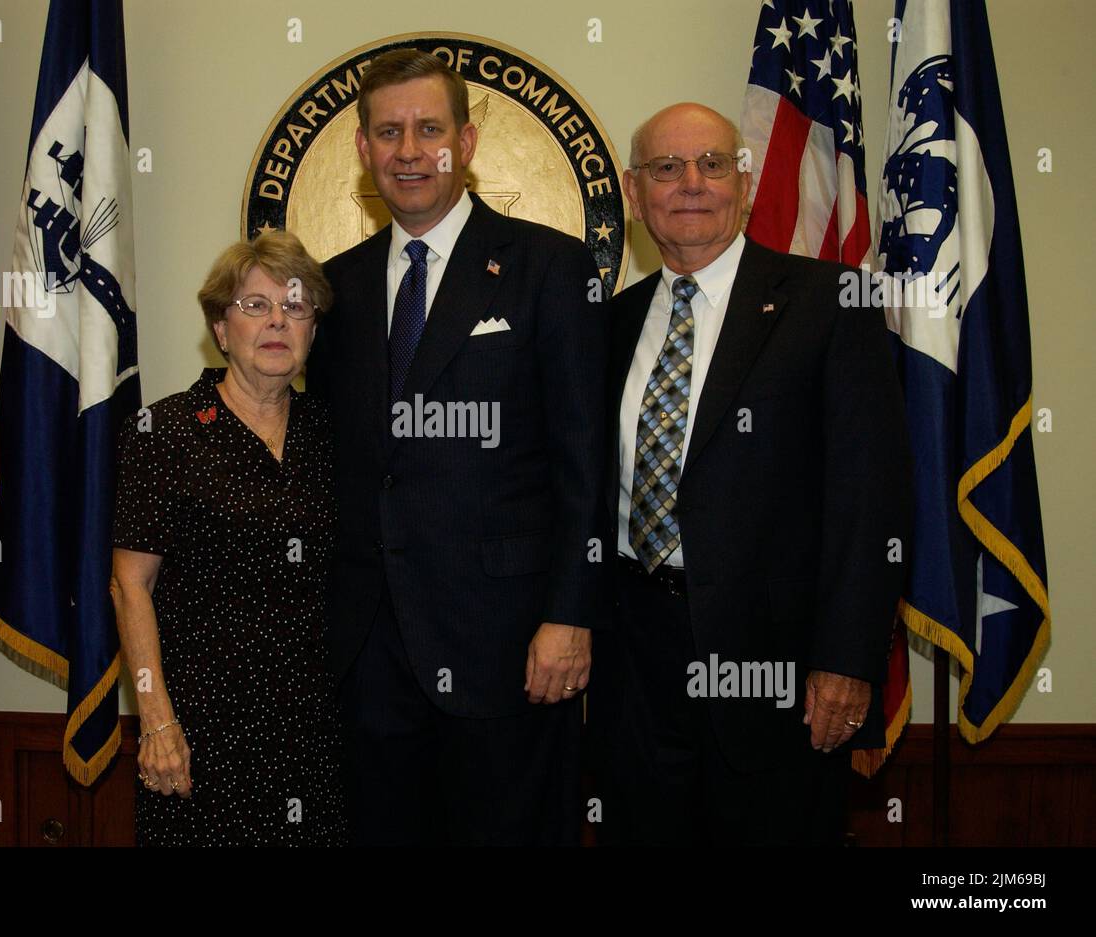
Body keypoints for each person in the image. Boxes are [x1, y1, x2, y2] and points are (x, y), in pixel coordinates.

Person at [305, 49, 610, 845]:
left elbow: (586, 462)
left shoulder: (551, 268)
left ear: (466, 143)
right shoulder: (338, 287)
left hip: (509, 645)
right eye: (388, 132)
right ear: (363, 148)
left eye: (429, 129)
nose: (409, 151)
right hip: (371, 653)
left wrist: (570, 615)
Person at [595, 102, 913, 845]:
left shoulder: (831, 303)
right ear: (634, 194)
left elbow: (871, 498)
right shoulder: (609, 323)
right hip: (633, 667)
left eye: (712, 164)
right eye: (666, 168)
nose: (691, 183)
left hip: (778, 674)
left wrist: (847, 660)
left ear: (743, 183)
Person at [109, 230, 346, 846]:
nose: (277, 321)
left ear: (313, 330)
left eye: (295, 306)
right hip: (199, 732)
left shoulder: (333, 433)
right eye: (255, 305)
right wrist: (155, 720)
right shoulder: (166, 432)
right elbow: (129, 586)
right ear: (220, 327)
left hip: (318, 734)